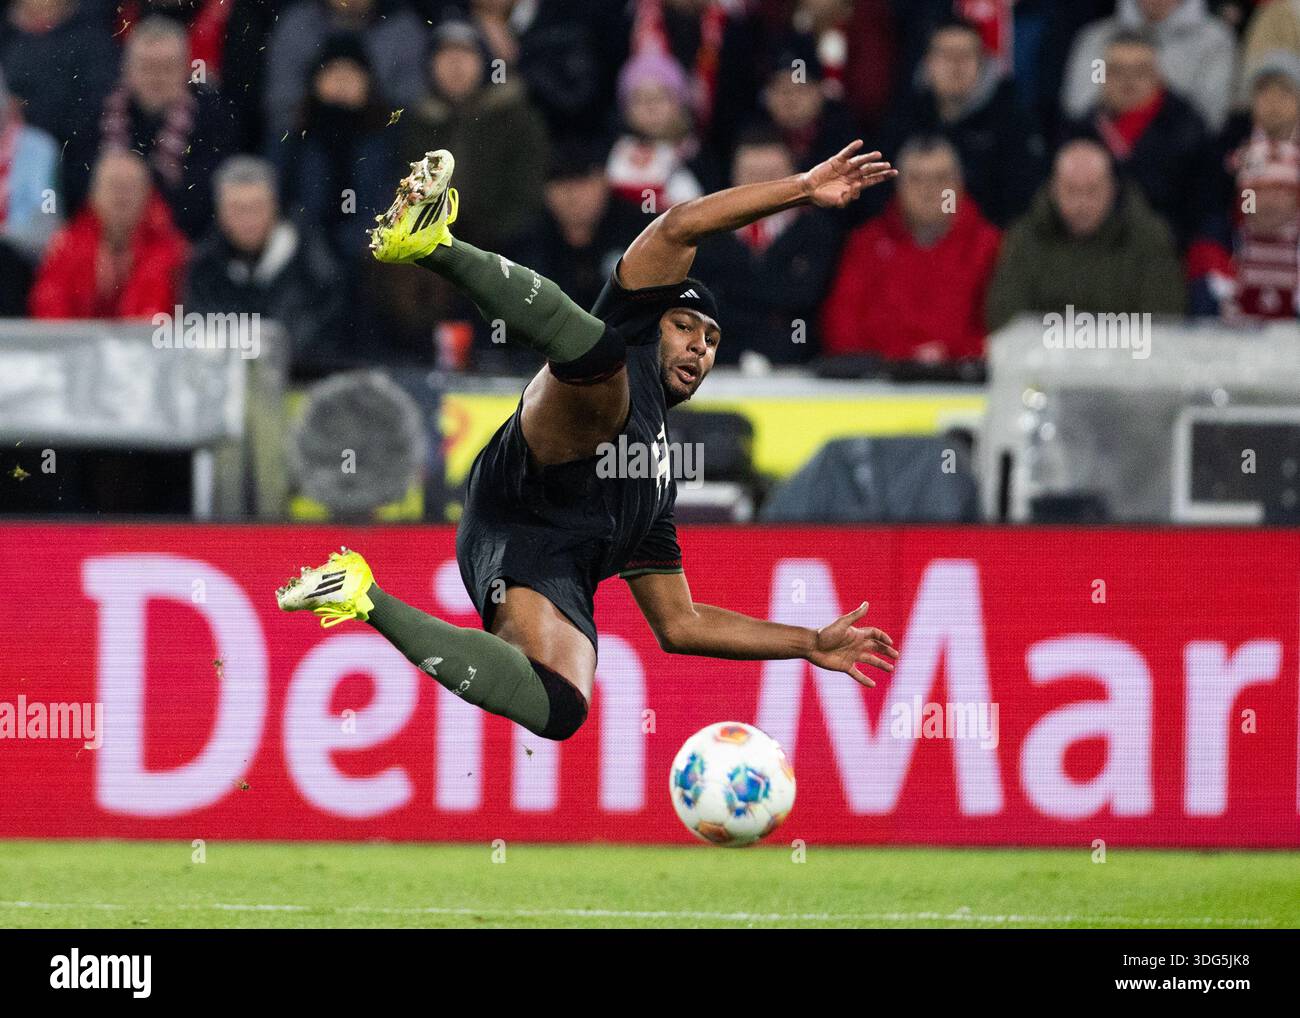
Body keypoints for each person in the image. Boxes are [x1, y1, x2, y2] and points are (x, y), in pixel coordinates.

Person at [276, 142, 900, 742]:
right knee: (602, 356)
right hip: (525, 475)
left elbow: (680, 625)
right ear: (656, 319)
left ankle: (360, 594)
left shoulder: (655, 478)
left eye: (710, 342)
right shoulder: (631, 322)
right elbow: (682, 223)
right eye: (684, 327)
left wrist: (808, 643)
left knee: (562, 706)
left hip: (545, 560)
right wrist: (800, 188)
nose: (697, 347)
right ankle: (433, 243)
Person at [822, 136, 1001, 363]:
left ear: (959, 185)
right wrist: (894, 359)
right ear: (899, 187)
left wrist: (950, 354)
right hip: (878, 386)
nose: (928, 191)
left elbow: (1004, 331)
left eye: (940, 179)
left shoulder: (989, 246)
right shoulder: (866, 244)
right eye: (916, 180)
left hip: (965, 383)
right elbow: (840, 327)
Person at [986, 139, 1186, 331]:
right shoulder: (1025, 237)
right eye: (1071, 191)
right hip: (1044, 361)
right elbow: (1006, 318)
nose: (1081, 204)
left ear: (1112, 189)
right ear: (1054, 190)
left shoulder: (1148, 237)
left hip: (1126, 361)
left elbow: (1162, 320)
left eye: (1092, 191)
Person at [184, 156, 344, 378]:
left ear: (275, 206)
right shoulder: (204, 268)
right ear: (220, 213)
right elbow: (199, 337)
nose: (247, 219)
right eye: (237, 208)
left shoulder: (315, 266)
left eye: (256, 206)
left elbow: (326, 340)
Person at [880, 17, 1045, 227]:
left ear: (982, 63)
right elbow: (879, 191)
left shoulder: (1011, 121)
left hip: (984, 244)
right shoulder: (903, 117)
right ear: (928, 62)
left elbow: (1021, 200)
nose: (955, 65)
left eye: (965, 55)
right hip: (907, 240)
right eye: (946, 55)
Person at [1062, 30, 1213, 247]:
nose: (1128, 80)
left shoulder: (1188, 129)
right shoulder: (1080, 131)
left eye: (1140, 71)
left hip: (1163, 252)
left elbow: (1202, 211)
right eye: (1116, 71)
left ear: (1158, 76)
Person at [30, 149, 187, 319]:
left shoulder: (172, 249)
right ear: (93, 195)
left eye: (129, 187)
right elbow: (48, 309)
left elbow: (157, 317)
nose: (120, 196)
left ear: (148, 194)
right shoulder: (66, 245)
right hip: (76, 343)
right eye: (113, 185)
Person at [1063, 0, 1238, 132]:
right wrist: (1113, 90)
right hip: (1106, 142)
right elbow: (1082, 99)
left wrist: (1156, 99)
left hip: (1181, 151)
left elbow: (1210, 114)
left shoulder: (1214, 41)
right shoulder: (1099, 39)